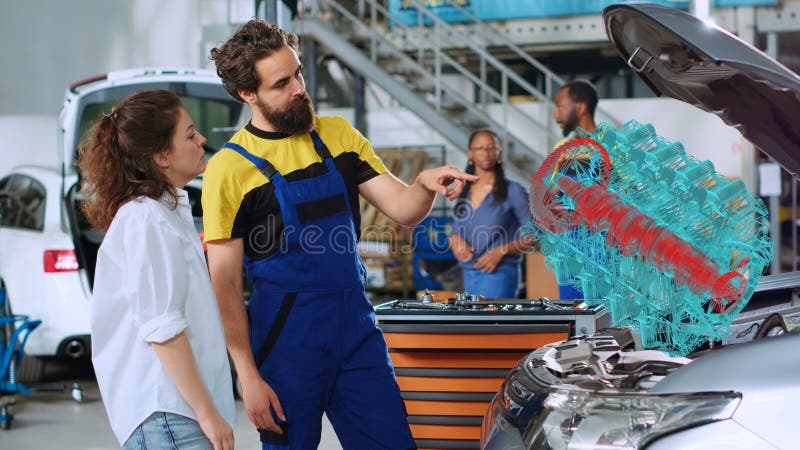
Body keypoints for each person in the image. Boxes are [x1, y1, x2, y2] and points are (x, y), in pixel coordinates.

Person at [203, 20, 477, 450]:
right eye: (282, 83)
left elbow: (403, 210)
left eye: (298, 73)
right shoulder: (229, 168)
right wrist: (248, 375)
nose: (299, 88)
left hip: (355, 333)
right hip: (286, 344)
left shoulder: (338, 136)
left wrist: (424, 185)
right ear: (247, 94)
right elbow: (225, 284)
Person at [79, 90, 235, 450]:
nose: (202, 140)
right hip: (170, 414)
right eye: (190, 133)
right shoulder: (146, 219)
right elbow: (162, 328)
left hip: (178, 412)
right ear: (162, 156)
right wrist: (207, 414)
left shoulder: (166, 211)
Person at [448, 129, 533, 298]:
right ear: (470, 153)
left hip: (499, 274)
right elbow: (457, 229)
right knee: (473, 324)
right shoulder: (464, 190)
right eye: (479, 148)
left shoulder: (513, 191)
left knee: (493, 323)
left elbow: (536, 235)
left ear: (499, 152)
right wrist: (454, 239)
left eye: (491, 148)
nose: (485, 153)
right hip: (469, 274)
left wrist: (502, 250)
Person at [552, 79, 599, 300]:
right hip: (570, 257)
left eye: (560, 106)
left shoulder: (615, 148)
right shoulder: (560, 151)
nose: (556, 115)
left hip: (606, 258)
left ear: (580, 107)